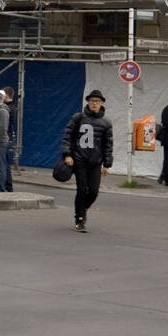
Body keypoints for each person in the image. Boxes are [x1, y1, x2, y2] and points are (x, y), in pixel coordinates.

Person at [60, 89, 113, 233]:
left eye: (97, 101)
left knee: (94, 192)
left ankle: (82, 208)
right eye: (92, 101)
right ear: (88, 102)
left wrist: (107, 164)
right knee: (82, 189)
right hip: (79, 159)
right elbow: (67, 136)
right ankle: (79, 218)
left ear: (102, 103)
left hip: (96, 161)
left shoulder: (106, 123)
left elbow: (108, 144)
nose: (94, 104)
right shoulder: (78, 118)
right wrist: (67, 155)